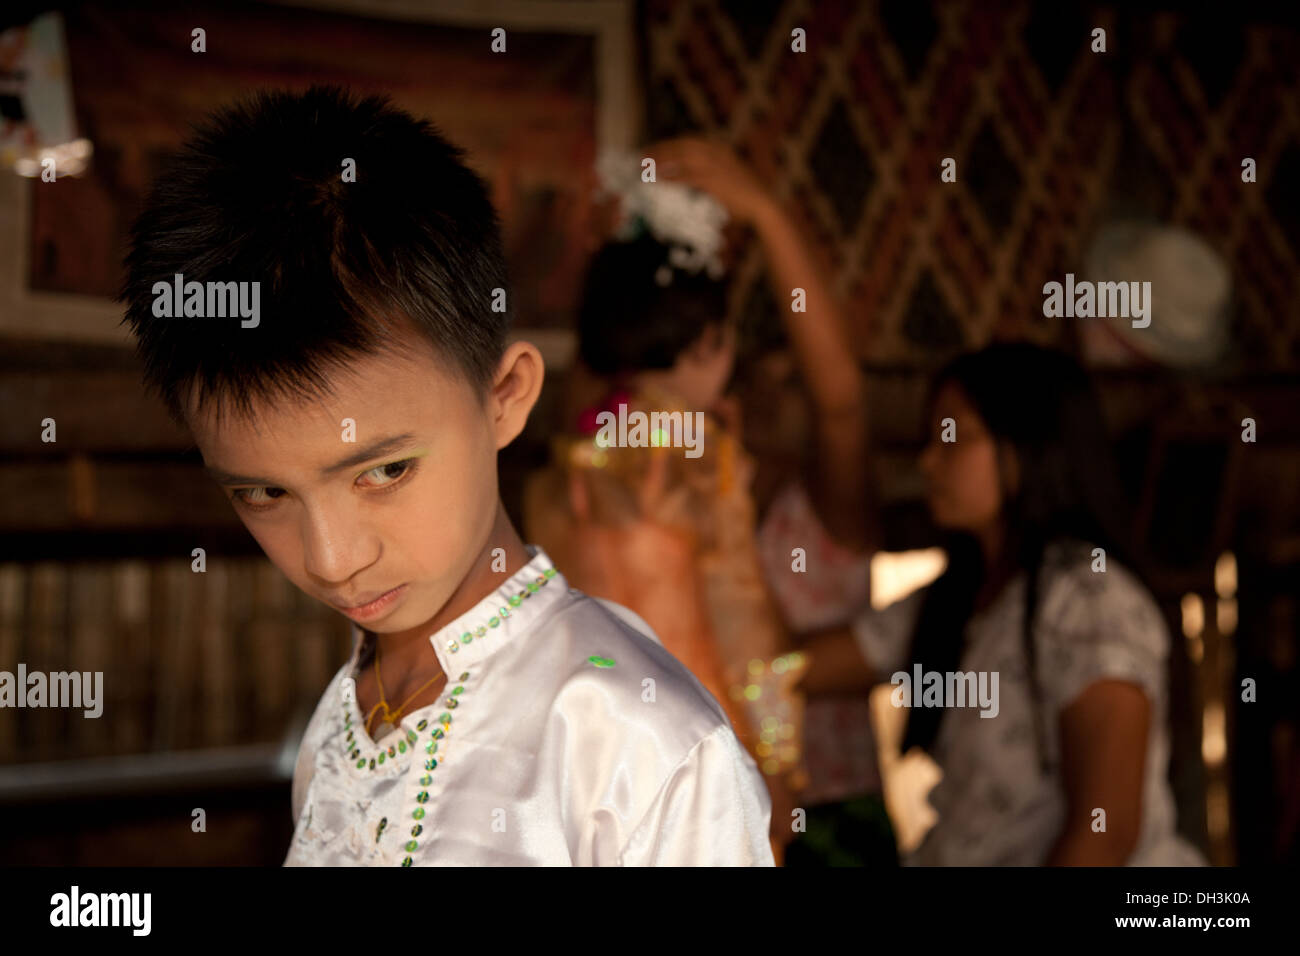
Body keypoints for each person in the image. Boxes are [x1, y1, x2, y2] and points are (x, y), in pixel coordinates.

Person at [117, 86, 774, 866]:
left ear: (504, 398)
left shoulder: (642, 747)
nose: (331, 558)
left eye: (385, 469)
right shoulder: (337, 729)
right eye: (263, 493)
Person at [798, 343, 1208, 865]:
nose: (928, 460)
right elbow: (791, 670)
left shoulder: (1089, 600)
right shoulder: (960, 597)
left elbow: (1102, 837)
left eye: (956, 437)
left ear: (1028, 449)